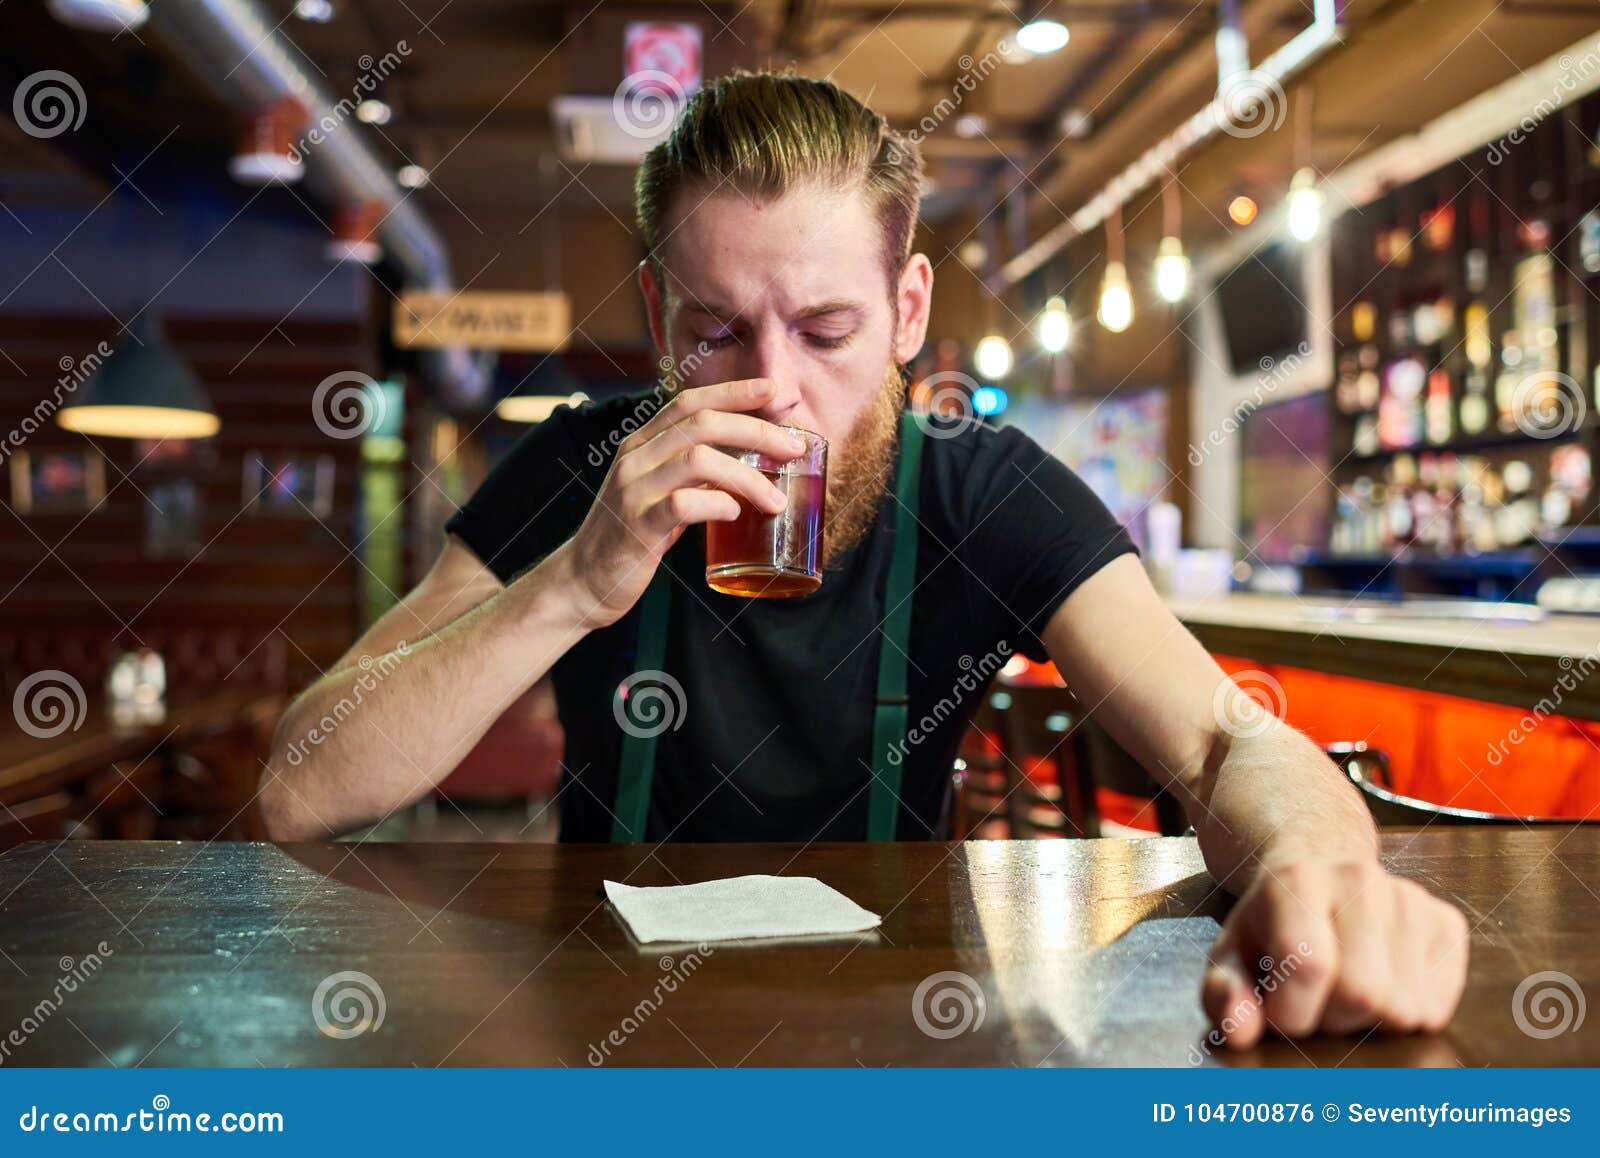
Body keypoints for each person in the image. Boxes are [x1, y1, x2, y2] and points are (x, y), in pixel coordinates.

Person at [259, 71, 1469, 1048]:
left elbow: (1222, 739)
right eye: (714, 333)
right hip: (602, 1026)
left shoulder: (981, 490)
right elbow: (303, 789)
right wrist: (570, 585)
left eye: (827, 330)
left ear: (906, 312)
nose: (772, 390)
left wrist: (1318, 874)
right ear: (653, 314)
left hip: (904, 1027)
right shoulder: (582, 468)